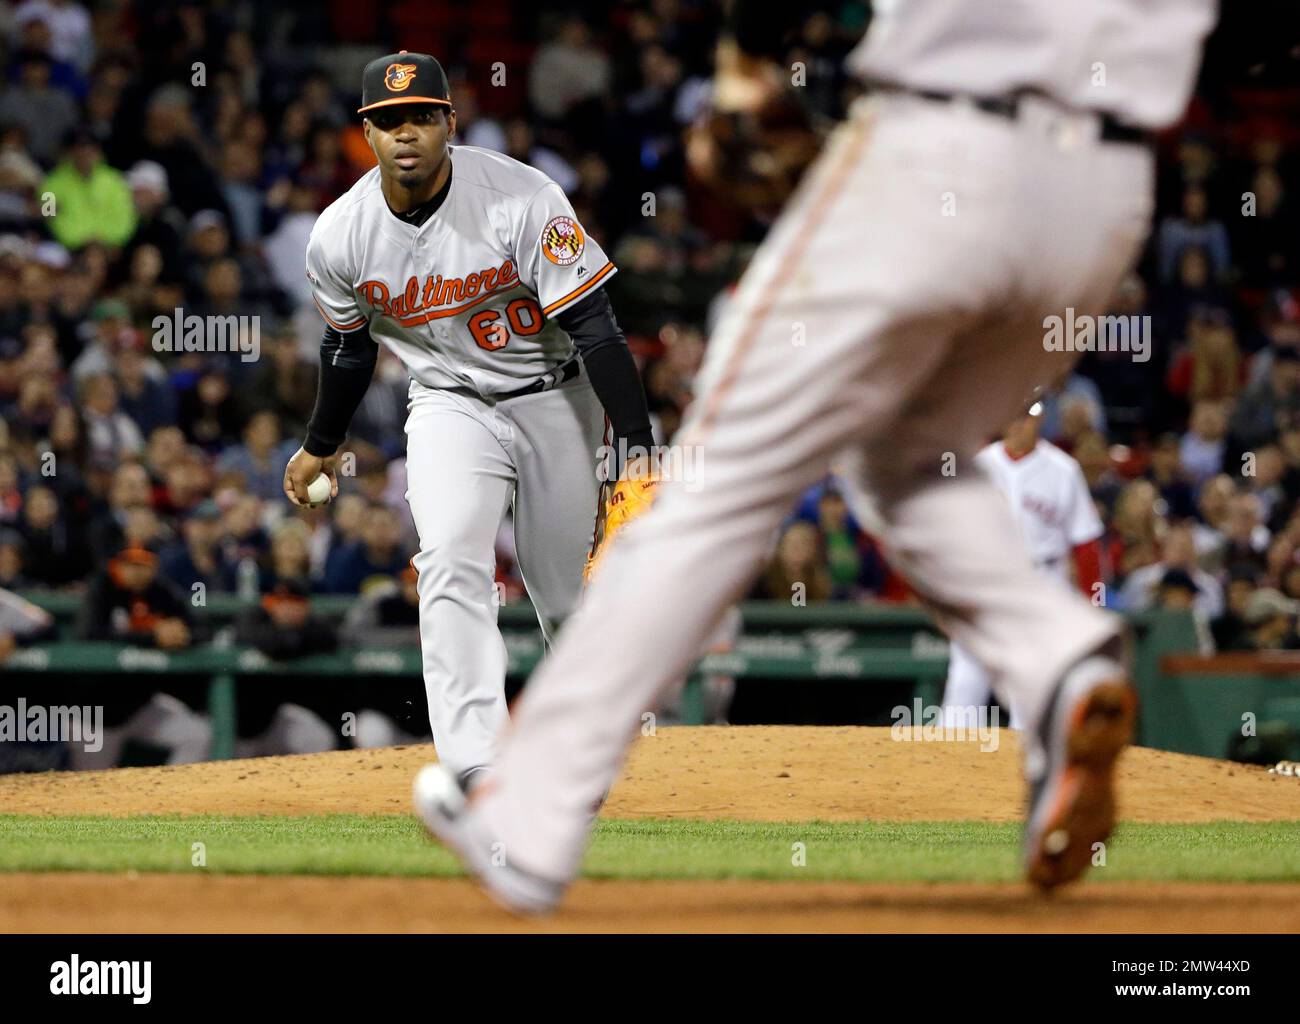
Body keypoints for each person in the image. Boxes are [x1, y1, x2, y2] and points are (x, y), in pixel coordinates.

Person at [413, 1, 1217, 913]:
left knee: (720, 481)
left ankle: (525, 811)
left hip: (947, 143)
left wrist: (752, 56)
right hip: (1106, 195)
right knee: (909, 456)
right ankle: (1060, 659)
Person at [283, 53, 654, 792]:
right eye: (388, 121)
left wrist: (640, 449)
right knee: (449, 559)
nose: (406, 133)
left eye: (421, 116)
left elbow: (597, 328)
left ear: (450, 122)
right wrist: (321, 445)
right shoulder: (341, 234)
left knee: (564, 594)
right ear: (367, 134)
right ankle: (476, 762)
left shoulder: (522, 197)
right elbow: (348, 348)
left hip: (557, 397)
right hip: (449, 400)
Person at [939, 400, 1104, 730]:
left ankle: (1024, 773)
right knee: (964, 685)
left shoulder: (1063, 469)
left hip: (1041, 580)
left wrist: (1091, 603)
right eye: (1013, 414)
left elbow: (1085, 544)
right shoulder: (976, 466)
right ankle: (945, 772)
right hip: (986, 583)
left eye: (1027, 415)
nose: (1018, 423)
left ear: (1040, 419)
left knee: (1030, 692)